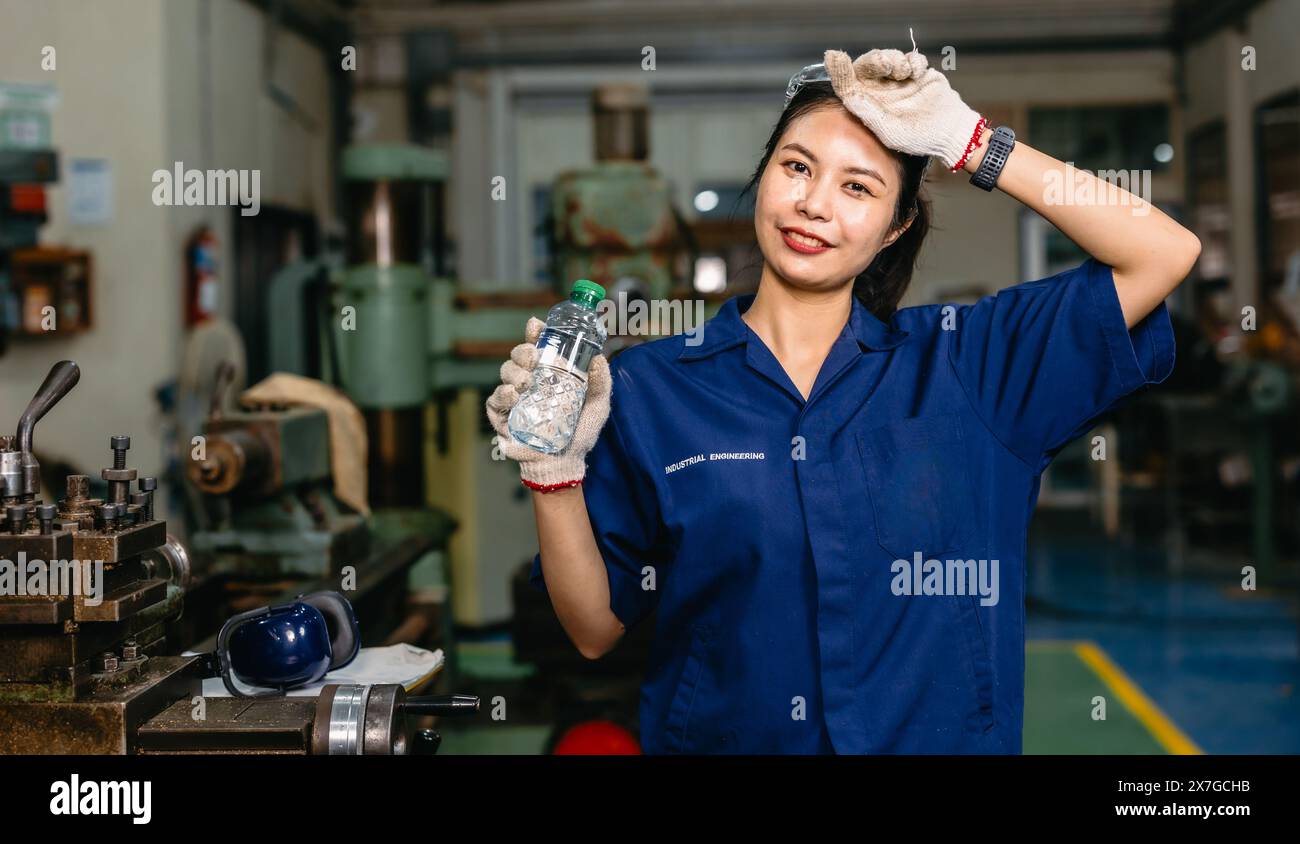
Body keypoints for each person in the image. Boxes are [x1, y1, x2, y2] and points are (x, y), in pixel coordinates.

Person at [486, 46, 1201, 754]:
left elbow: (1162, 253)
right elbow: (592, 628)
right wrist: (552, 473)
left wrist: (969, 141)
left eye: (858, 187)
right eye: (796, 167)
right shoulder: (652, 388)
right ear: (764, 176)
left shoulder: (971, 366)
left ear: (896, 227)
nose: (814, 204)